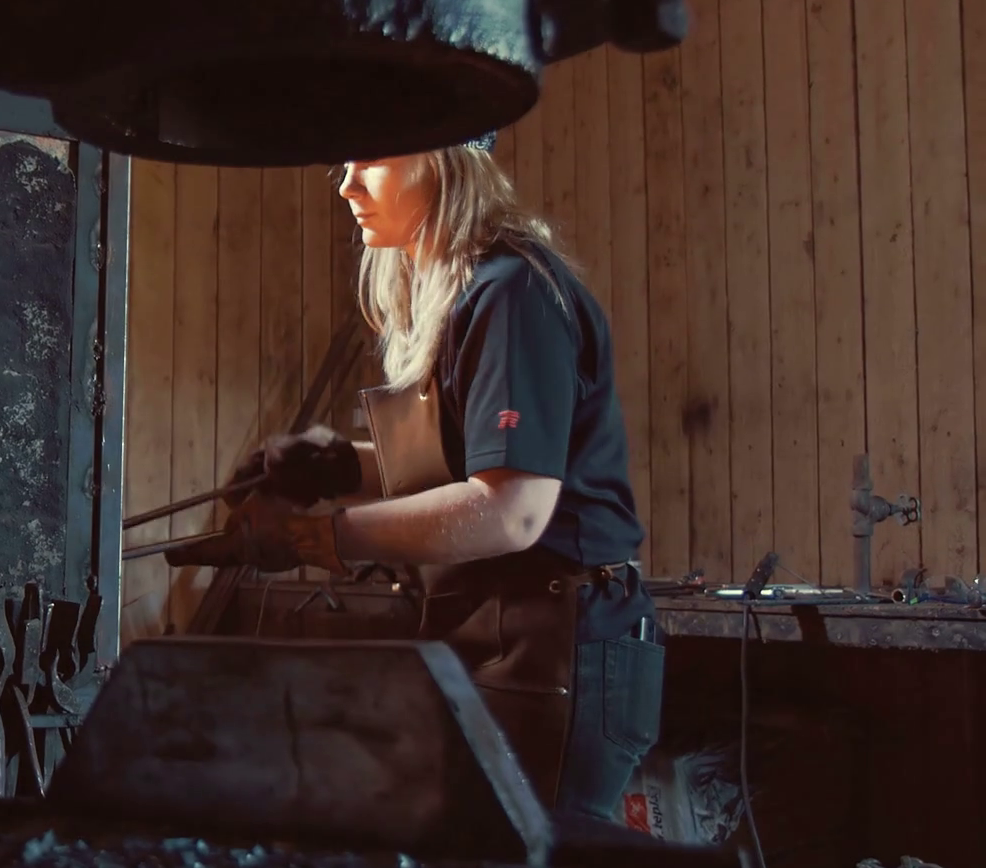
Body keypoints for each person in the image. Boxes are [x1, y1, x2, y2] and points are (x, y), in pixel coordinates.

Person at [166, 133, 662, 823]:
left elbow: (512, 508)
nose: (346, 186)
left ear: (443, 161)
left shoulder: (513, 292)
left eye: (369, 161)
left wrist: (319, 539)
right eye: (344, 163)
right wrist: (336, 464)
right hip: (498, 634)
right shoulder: (462, 293)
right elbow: (467, 466)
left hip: (562, 646)